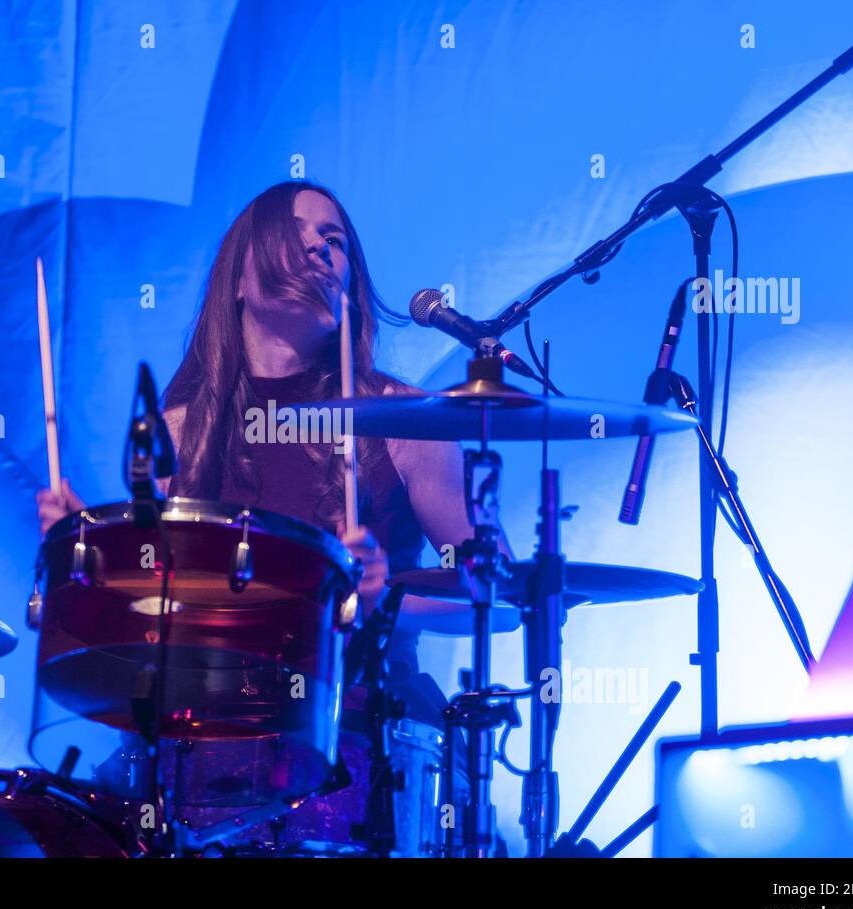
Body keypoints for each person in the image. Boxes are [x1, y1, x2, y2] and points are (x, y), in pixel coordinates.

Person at [36, 181, 514, 703]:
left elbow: (502, 601)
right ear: (238, 278)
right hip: (209, 723)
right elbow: (163, 610)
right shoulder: (180, 433)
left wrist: (384, 604)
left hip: (360, 729)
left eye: (335, 241)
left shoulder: (403, 421)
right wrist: (95, 559)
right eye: (295, 232)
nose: (319, 247)